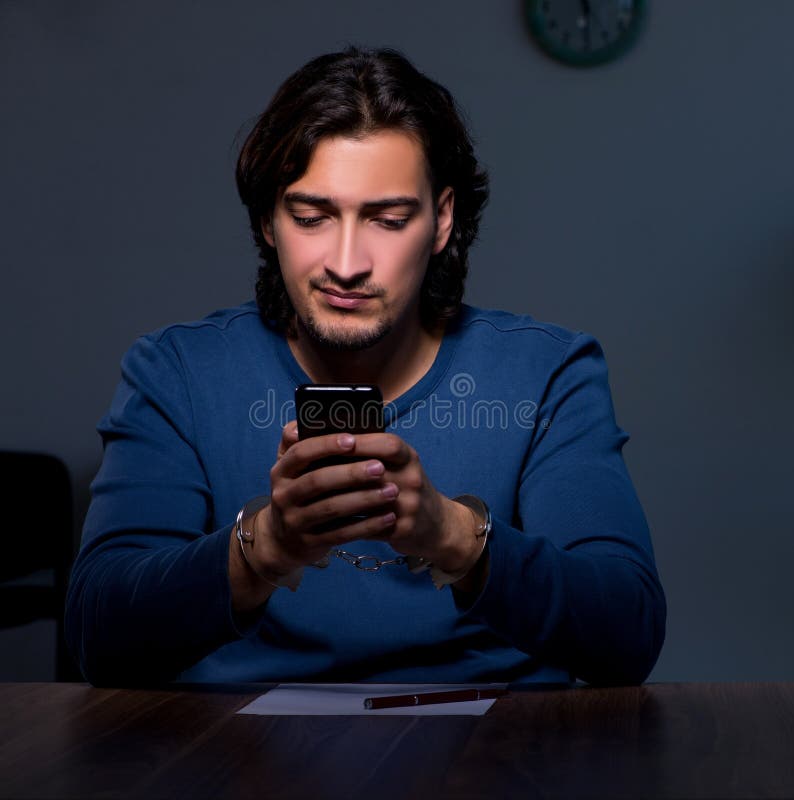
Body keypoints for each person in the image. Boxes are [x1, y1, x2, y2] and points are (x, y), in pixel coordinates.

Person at [65, 47, 666, 687]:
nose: (347, 263)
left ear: (442, 221)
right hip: (244, 764)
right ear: (270, 221)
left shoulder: (545, 371)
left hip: (493, 758)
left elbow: (627, 634)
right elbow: (99, 639)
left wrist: (455, 536)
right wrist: (265, 547)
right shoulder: (179, 372)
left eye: (386, 219)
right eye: (312, 216)